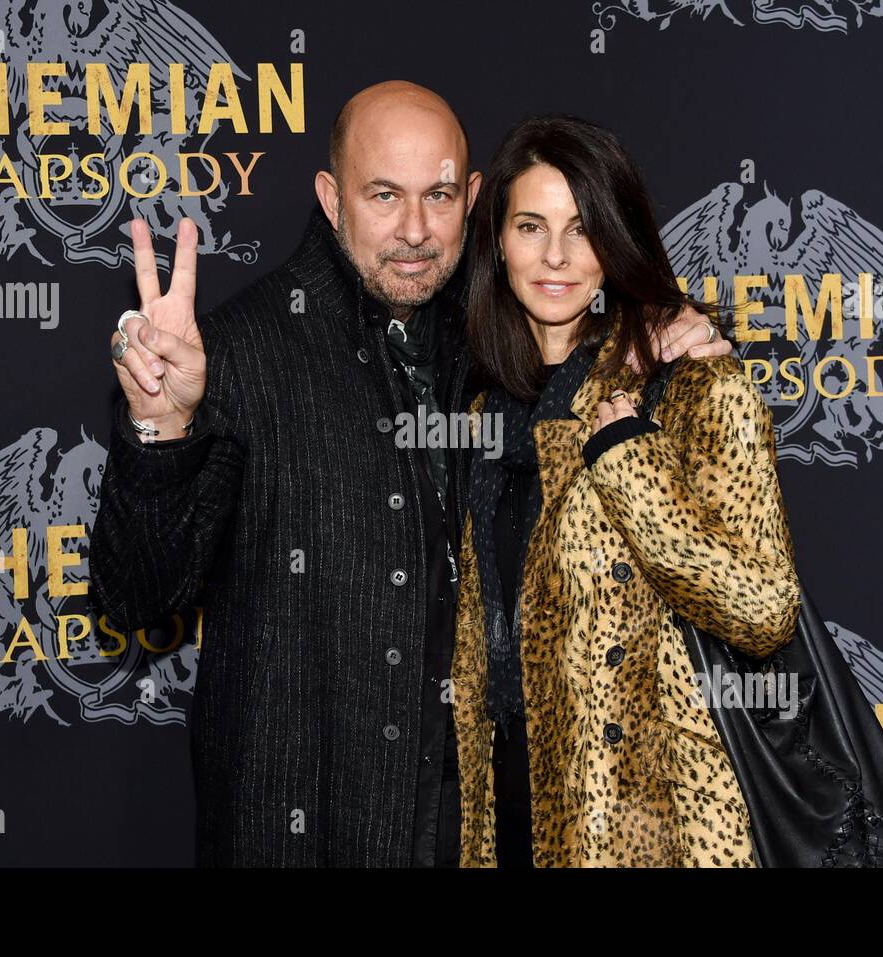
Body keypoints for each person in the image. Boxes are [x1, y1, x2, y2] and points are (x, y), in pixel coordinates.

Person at [89, 82, 732, 867]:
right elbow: (139, 595)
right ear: (332, 199)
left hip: (477, 832)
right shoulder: (243, 350)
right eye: (384, 196)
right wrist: (162, 425)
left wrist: (665, 321)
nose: (416, 231)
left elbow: (593, 322)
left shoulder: (495, 335)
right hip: (306, 835)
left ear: (472, 198)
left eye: (437, 196)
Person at [451, 114, 800, 867]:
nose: (555, 256)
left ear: (615, 241)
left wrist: (629, 461)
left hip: (648, 832)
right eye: (530, 226)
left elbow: (765, 609)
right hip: (503, 821)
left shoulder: (692, 384)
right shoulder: (477, 411)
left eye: (582, 229)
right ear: (498, 242)